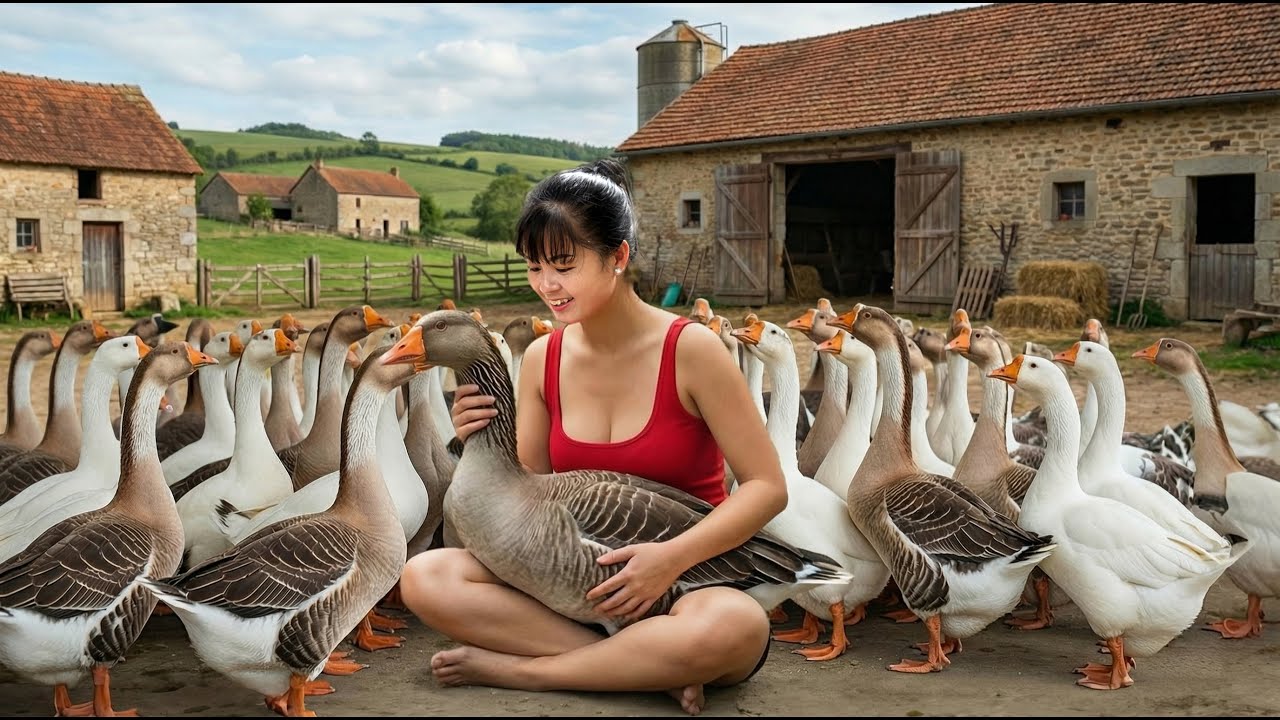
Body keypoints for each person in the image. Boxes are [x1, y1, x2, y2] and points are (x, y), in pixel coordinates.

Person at [398, 157, 788, 715]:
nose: (546, 285)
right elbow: (526, 487)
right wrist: (478, 439)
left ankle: (526, 670)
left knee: (730, 629)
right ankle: (636, 667)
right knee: (427, 576)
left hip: (692, 586)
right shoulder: (542, 358)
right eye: (534, 267)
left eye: (563, 264)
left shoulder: (693, 350)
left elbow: (767, 488)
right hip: (580, 589)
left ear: (618, 257)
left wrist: (668, 561)